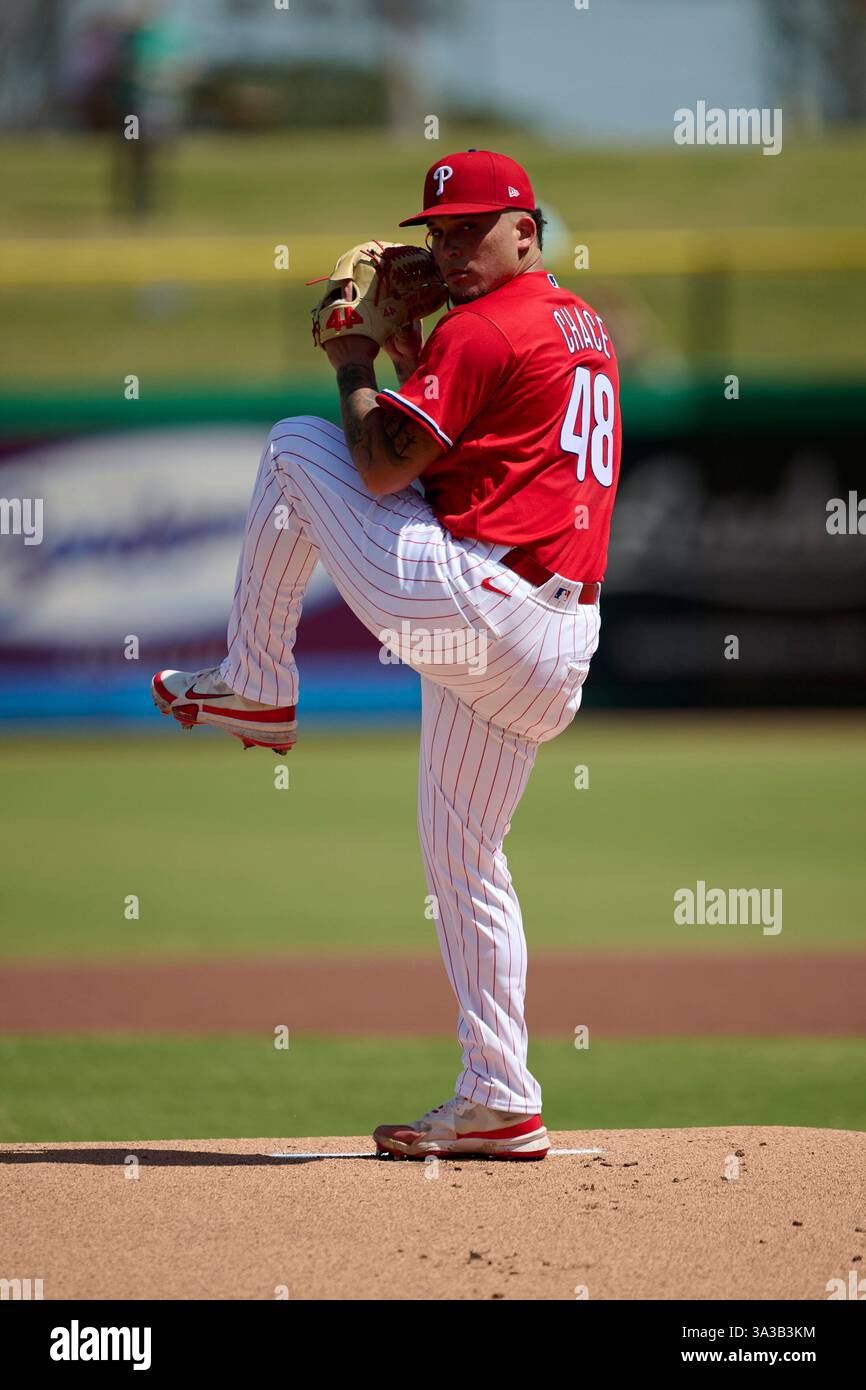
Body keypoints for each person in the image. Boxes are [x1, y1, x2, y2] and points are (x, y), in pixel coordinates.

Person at [152, 149, 622, 1161]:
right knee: (465, 860)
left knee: (294, 447)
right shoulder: (572, 323)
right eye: (438, 233)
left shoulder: (485, 326)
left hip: (481, 613)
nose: (449, 249)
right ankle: (501, 1092)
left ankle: (258, 688)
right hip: (552, 646)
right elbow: (462, 446)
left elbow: (373, 470)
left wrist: (354, 358)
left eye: (471, 230)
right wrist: (414, 348)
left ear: (525, 232)